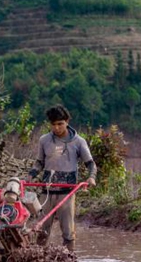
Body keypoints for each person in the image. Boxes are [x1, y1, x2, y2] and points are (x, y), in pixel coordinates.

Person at [29, 105, 97, 252]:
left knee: (67, 229)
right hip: (47, 191)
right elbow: (39, 162)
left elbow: (90, 164)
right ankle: (39, 257)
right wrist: (31, 175)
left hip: (67, 191)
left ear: (67, 121)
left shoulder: (79, 142)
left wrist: (91, 177)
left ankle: (69, 259)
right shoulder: (44, 140)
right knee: (41, 226)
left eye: (60, 124)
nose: (57, 128)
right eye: (53, 125)